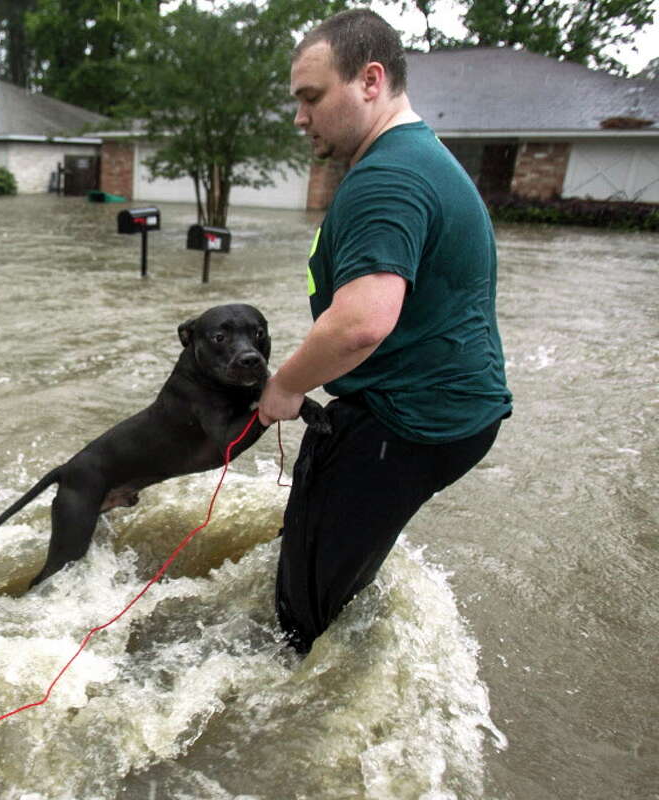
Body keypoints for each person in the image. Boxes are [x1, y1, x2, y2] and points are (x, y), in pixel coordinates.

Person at [255, 9, 512, 654]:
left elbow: (362, 323)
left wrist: (284, 386)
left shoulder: (387, 178)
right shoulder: (416, 157)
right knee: (330, 557)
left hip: (410, 419)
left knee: (300, 614)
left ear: (370, 80)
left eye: (311, 97)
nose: (300, 117)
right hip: (447, 411)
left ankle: (300, 698)